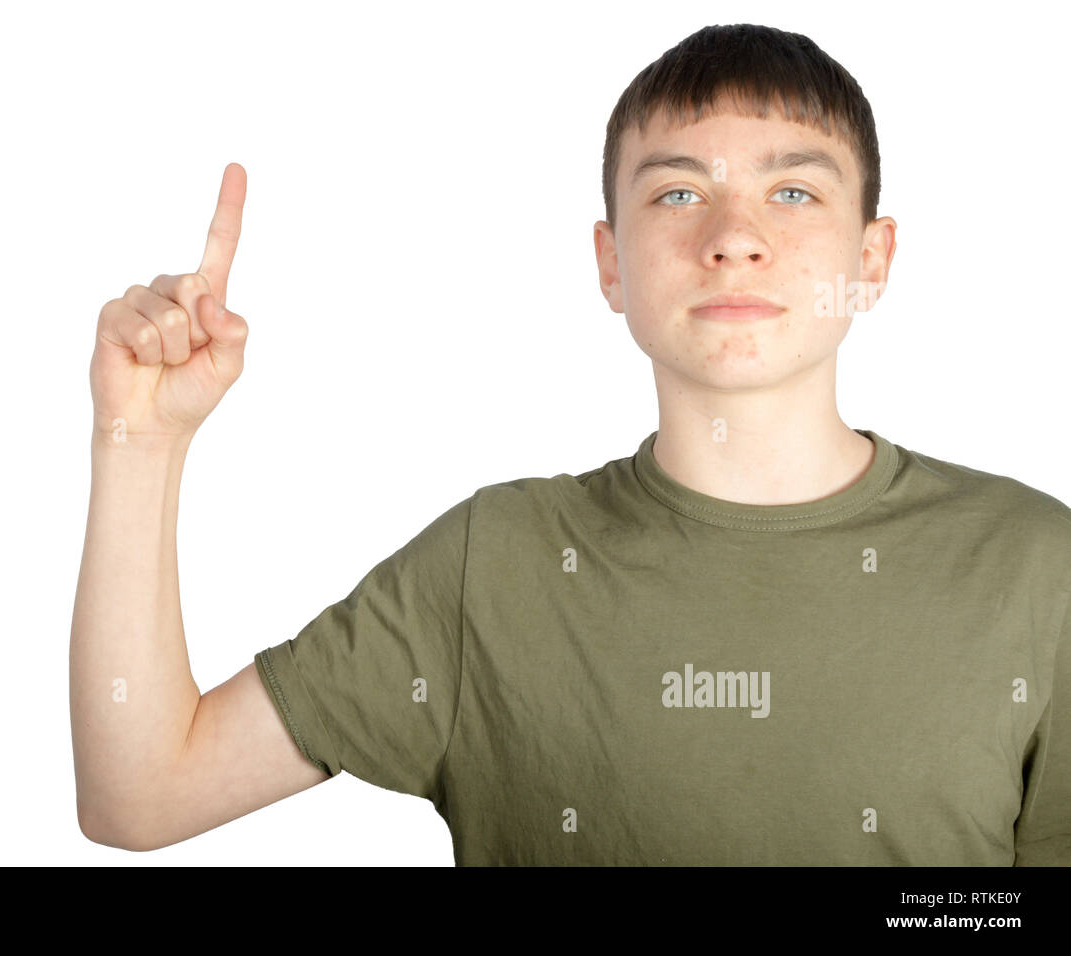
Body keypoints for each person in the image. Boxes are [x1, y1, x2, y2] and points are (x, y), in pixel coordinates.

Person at [69, 23, 1069, 865]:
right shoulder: (492, 564)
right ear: (610, 263)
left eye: (793, 191)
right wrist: (139, 441)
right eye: (676, 192)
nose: (732, 234)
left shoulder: (1035, 566)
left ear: (871, 255)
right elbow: (141, 795)